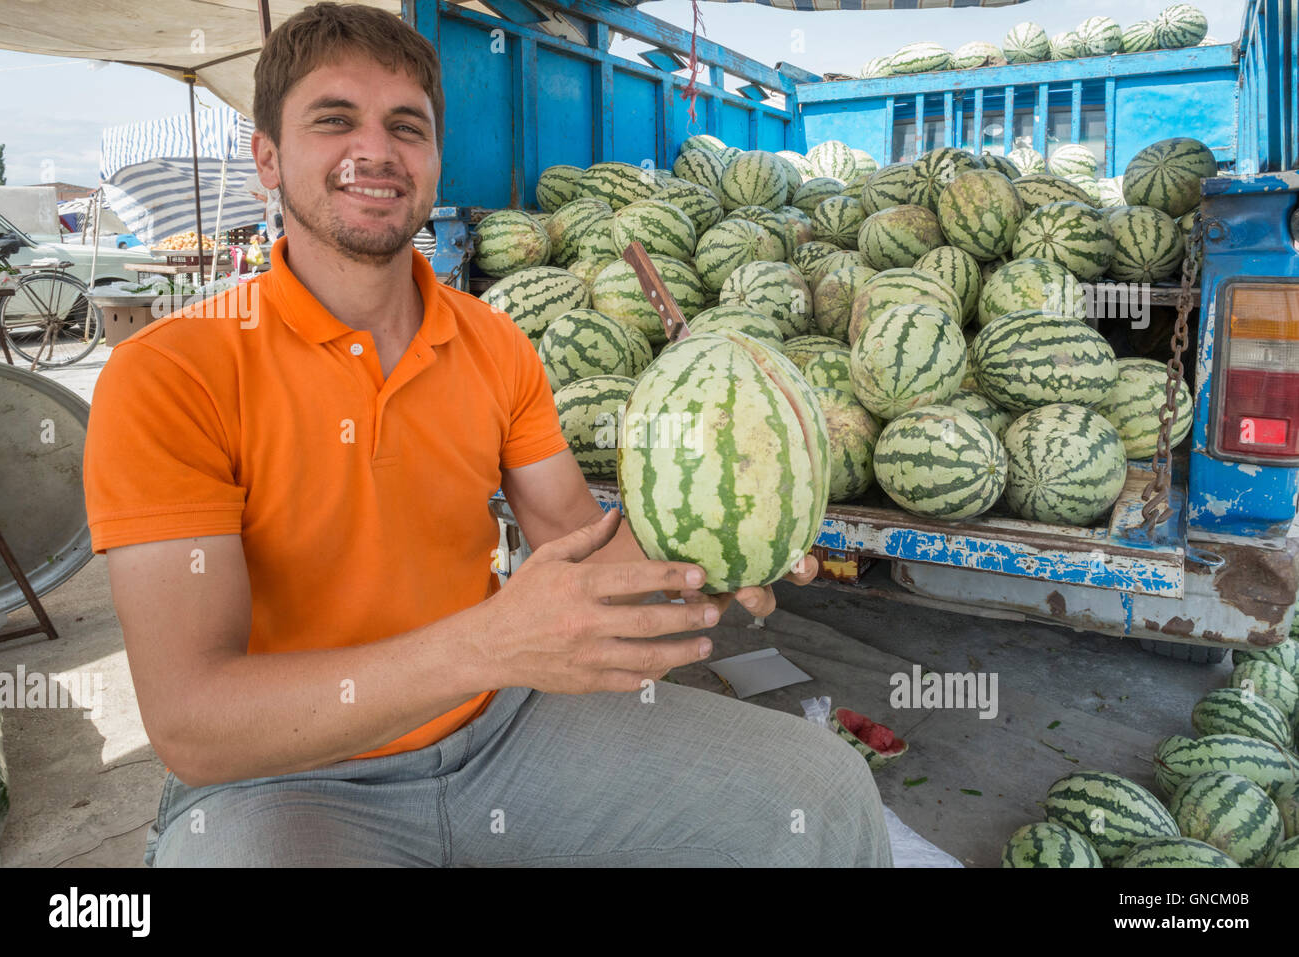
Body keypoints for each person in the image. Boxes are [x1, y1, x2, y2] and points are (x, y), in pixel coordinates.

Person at [82, 1, 890, 868]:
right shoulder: (169, 374)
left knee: (824, 794)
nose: (375, 150)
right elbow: (194, 725)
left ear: (433, 160)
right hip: (283, 778)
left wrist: (717, 557)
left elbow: (582, 553)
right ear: (268, 159)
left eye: (407, 126)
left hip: (504, 726)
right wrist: (486, 641)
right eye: (334, 120)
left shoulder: (492, 340)